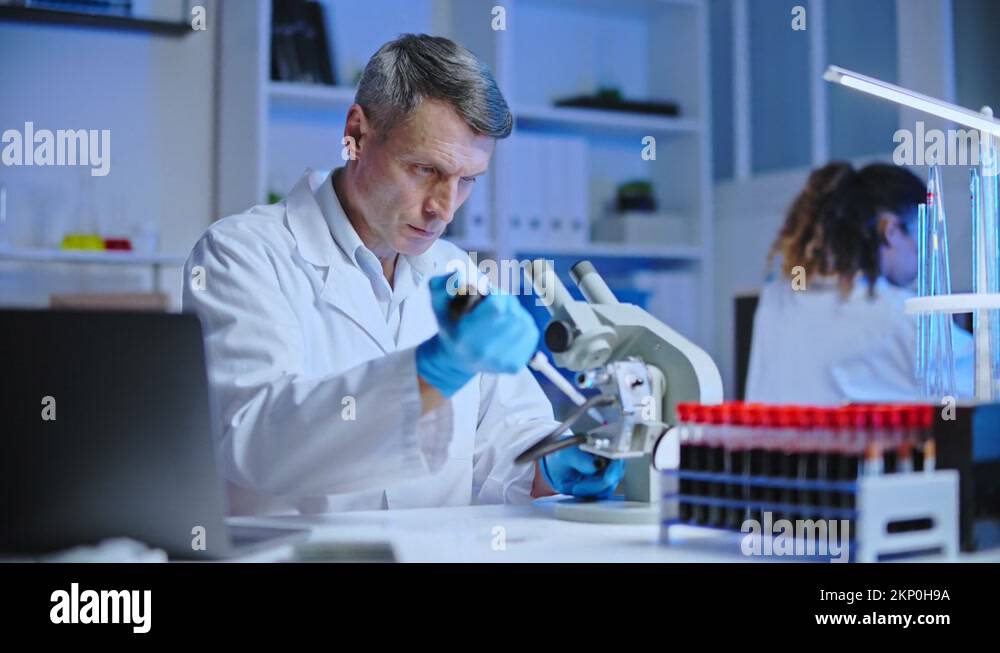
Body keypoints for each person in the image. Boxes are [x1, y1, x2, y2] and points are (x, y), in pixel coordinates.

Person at [182, 34, 623, 516]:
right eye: (423, 169)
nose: (443, 209)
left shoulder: (458, 271)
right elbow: (254, 441)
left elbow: (503, 441)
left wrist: (552, 463)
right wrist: (429, 373)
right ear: (357, 133)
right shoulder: (242, 255)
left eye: (467, 180)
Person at [745, 162, 972, 405]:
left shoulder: (776, 302)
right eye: (924, 234)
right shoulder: (905, 318)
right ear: (892, 231)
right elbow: (983, 381)